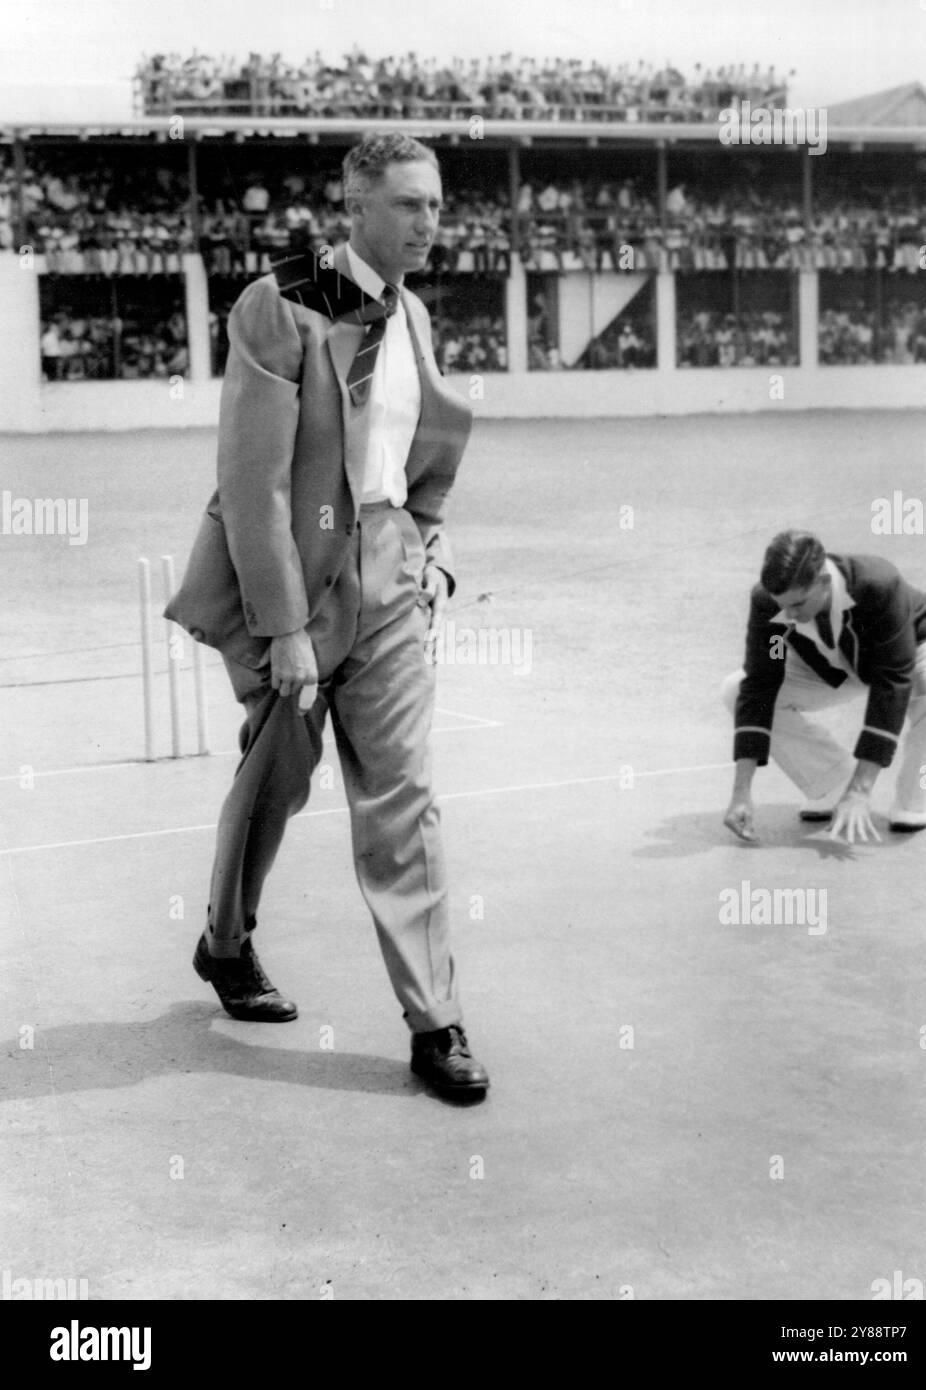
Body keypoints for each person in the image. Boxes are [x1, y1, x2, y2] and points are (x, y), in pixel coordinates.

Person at [165, 133, 489, 1097]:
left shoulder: (416, 316)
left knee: (402, 796)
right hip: (298, 576)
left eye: (434, 204)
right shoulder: (281, 304)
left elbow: (419, 454)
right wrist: (285, 626)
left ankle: (435, 1022)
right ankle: (224, 943)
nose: (428, 222)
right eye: (407, 205)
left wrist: (428, 548)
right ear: (356, 208)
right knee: (275, 778)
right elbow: (252, 481)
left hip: (390, 577)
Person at [722, 530, 926, 844]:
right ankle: (832, 783)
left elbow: (892, 682)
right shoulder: (773, 606)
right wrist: (741, 793)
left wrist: (861, 790)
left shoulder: (878, 583)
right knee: (735, 689)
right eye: (782, 606)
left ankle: (912, 801)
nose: (787, 615)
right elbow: (761, 683)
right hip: (833, 665)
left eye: (797, 604)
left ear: (822, 581)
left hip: (913, 647)